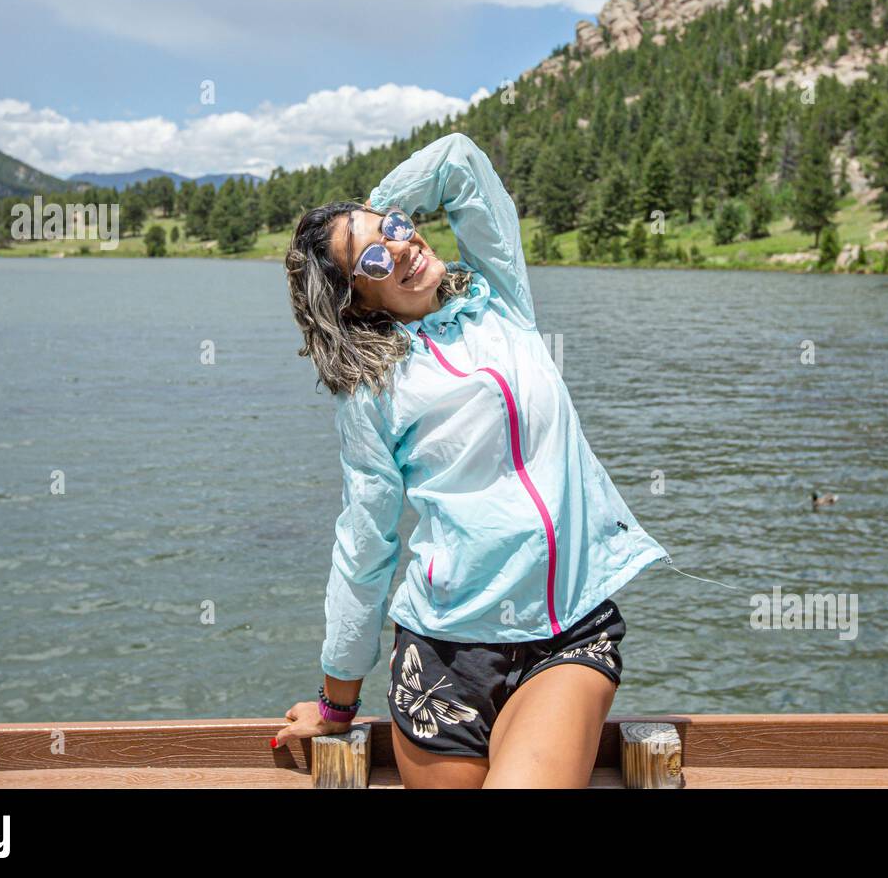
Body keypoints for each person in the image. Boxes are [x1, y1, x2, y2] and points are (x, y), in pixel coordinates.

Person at [277, 132, 668, 787]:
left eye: (400, 230)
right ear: (356, 302)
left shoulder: (501, 300)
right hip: (440, 656)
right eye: (373, 259)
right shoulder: (372, 392)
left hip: (568, 632)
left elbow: (459, 160)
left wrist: (374, 210)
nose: (401, 247)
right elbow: (364, 544)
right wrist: (337, 701)